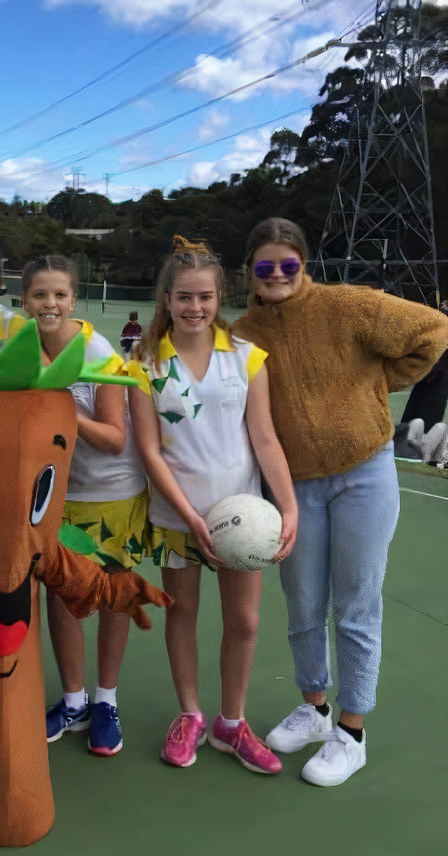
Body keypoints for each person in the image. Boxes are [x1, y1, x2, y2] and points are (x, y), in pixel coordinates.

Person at [232, 217, 448, 786]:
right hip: (295, 487)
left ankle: (352, 734)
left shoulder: (348, 305)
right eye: (264, 266)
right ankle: (316, 709)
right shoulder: (244, 333)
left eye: (288, 264)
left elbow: (433, 330)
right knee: (303, 606)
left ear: (303, 265)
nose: (276, 275)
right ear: (249, 271)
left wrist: (379, 383)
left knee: (356, 606)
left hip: (364, 476)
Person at [129, 236, 297, 775]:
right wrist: (190, 517)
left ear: (219, 295)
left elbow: (265, 438)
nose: (195, 307)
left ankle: (231, 723)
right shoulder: (146, 362)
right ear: (166, 298)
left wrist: (287, 507)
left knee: (243, 623)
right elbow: (150, 450)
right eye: (183, 297)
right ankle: (191, 715)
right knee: (181, 614)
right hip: (180, 519)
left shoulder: (247, 358)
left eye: (204, 296)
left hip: (244, 518)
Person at [22, 255, 150, 757]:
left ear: (73, 300)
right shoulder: (24, 347)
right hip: (59, 496)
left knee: (115, 598)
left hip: (113, 492)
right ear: (26, 300)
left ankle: (105, 701)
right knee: (62, 597)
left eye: (58, 295)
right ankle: (73, 700)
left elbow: (116, 439)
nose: (49, 304)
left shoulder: (98, 354)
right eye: (39, 295)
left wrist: (61, 408)